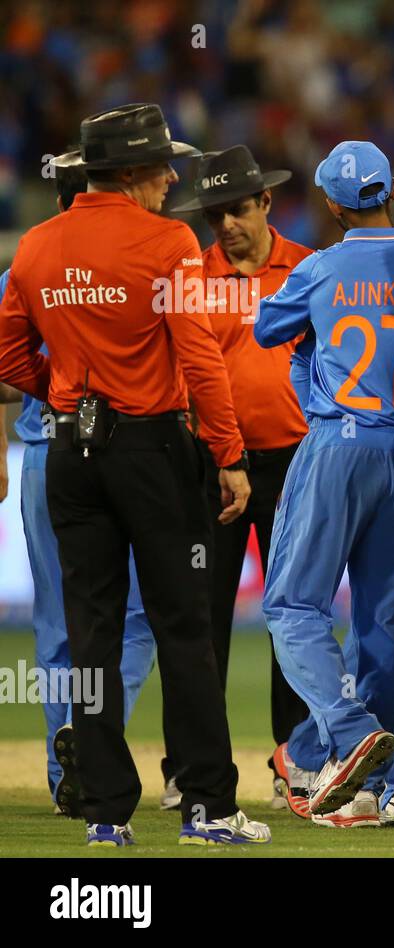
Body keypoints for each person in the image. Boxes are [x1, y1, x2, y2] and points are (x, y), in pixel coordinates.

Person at [0, 103, 268, 846]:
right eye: (160, 165)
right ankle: (208, 808)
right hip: (152, 451)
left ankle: (103, 815)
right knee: (185, 627)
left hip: (67, 456)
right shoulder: (170, 243)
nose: (172, 177)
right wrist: (228, 454)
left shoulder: (36, 247)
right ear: (126, 172)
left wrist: (61, 389)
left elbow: (8, 357)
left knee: (90, 635)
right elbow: (200, 358)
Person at [256, 140, 394, 828]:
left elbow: (268, 327)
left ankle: (343, 724)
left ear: (331, 205)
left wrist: (316, 335)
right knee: (390, 629)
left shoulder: (323, 266)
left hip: (340, 445)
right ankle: (365, 788)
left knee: (293, 605)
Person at [2, 165, 157, 821]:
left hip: (42, 457)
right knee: (143, 611)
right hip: (125, 454)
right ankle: (91, 740)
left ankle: (63, 753)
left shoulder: (26, 265)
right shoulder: (122, 262)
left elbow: (5, 368)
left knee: (58, 623)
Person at [161, 145, 313, 811]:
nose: (225, 223)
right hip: (211, 467)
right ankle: (191, 770)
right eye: (215, 212)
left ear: (266, 203)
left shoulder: (308, 268)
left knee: (292, 620)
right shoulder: (190, 272)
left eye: (236, 209)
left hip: (292, 464)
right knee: (199, 623)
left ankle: (294, 764)